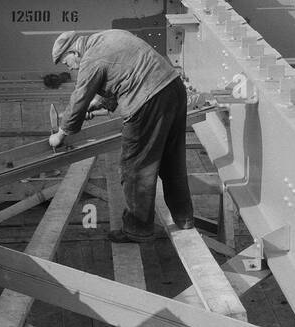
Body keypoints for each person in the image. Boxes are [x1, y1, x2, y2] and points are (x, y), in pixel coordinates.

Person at [48, 29, 193, 241]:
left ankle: (138, 229)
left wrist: (61, 134)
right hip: (174, 89)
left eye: (65, 62)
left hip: (148, 101)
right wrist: (98, 104)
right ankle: (184, 217)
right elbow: (127, 74)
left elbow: (79, 98)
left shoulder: (91, 58)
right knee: (173, 161)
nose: (69, 67)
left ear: (73, 51)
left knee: (135, 167)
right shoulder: (110, 36)